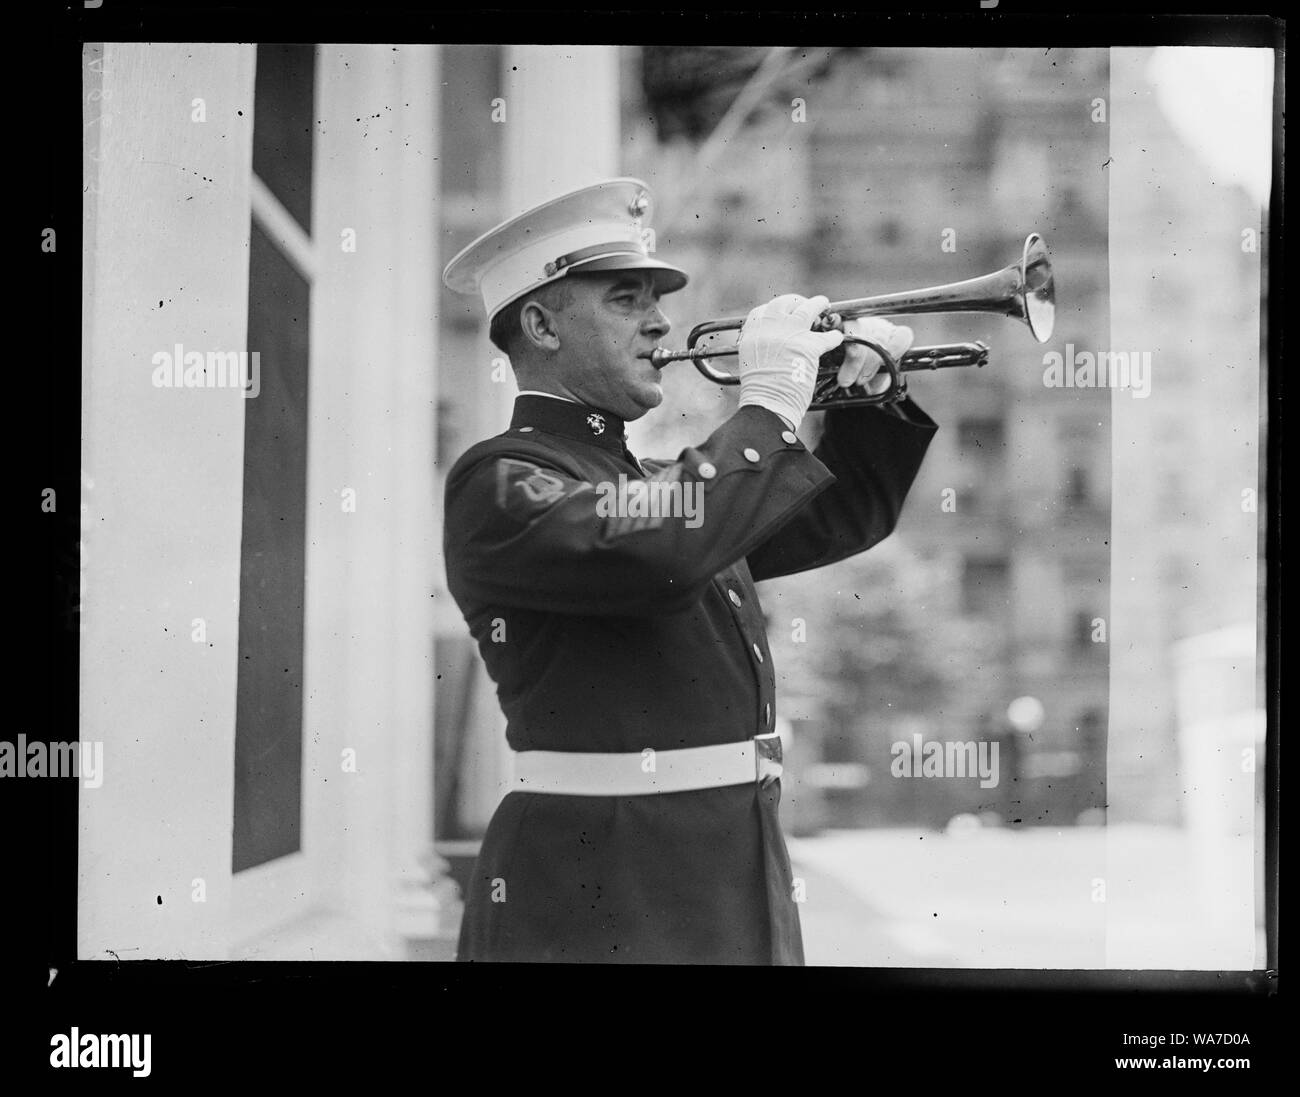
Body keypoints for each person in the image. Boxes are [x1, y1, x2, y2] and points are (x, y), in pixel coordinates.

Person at [441, 178, 937, 963]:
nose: (660, 322)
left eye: (657, 299)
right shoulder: (500, 481)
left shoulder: (661, 489)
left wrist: (864, 401)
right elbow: (659, 552)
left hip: (725, 870)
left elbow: (843, 514)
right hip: (602, 890)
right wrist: (769, 405)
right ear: (540, 323)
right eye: (626, 299)